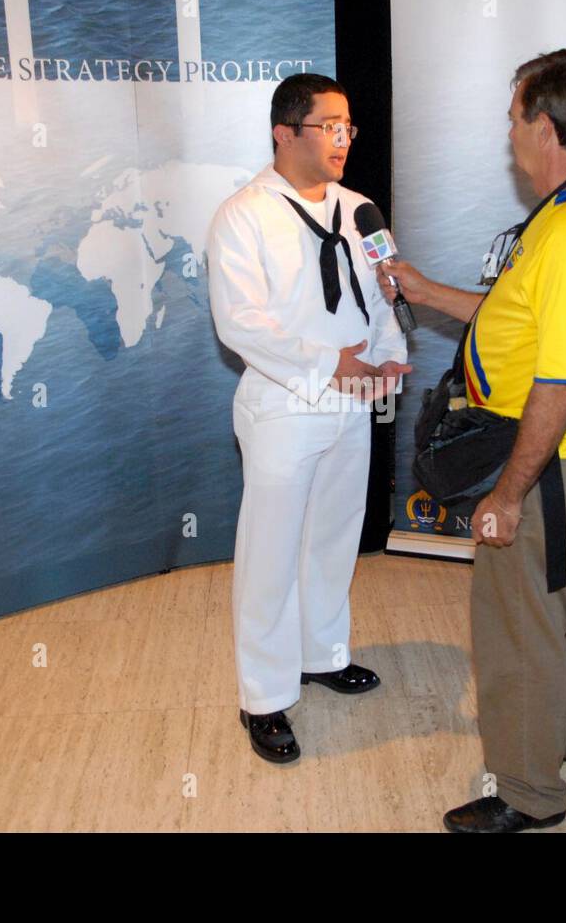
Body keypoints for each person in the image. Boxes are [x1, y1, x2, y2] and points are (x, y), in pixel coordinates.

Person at [378, 44, 566, 831]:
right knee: (557, 602)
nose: (509, 135)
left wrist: (508, 493)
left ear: (545, 126)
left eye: (515, 117)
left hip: (544, 460)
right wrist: (424, 292)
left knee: (517, 626)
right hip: (563, 457)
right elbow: (513, 318)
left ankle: (529, 794)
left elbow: (555, 383)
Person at [206, 73, 410, 765]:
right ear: (284, 132)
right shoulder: (243, 214)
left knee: (332, 538)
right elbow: (241, 325)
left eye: (348, 126)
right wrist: (331, 364)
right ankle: (263, 696)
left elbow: (383, 298)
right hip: (282, 404)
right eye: (329, 126)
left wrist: (388, 358)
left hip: (354, 402)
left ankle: (322, 653)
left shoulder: (362, 210)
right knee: (269, 554)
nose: (343, 140)